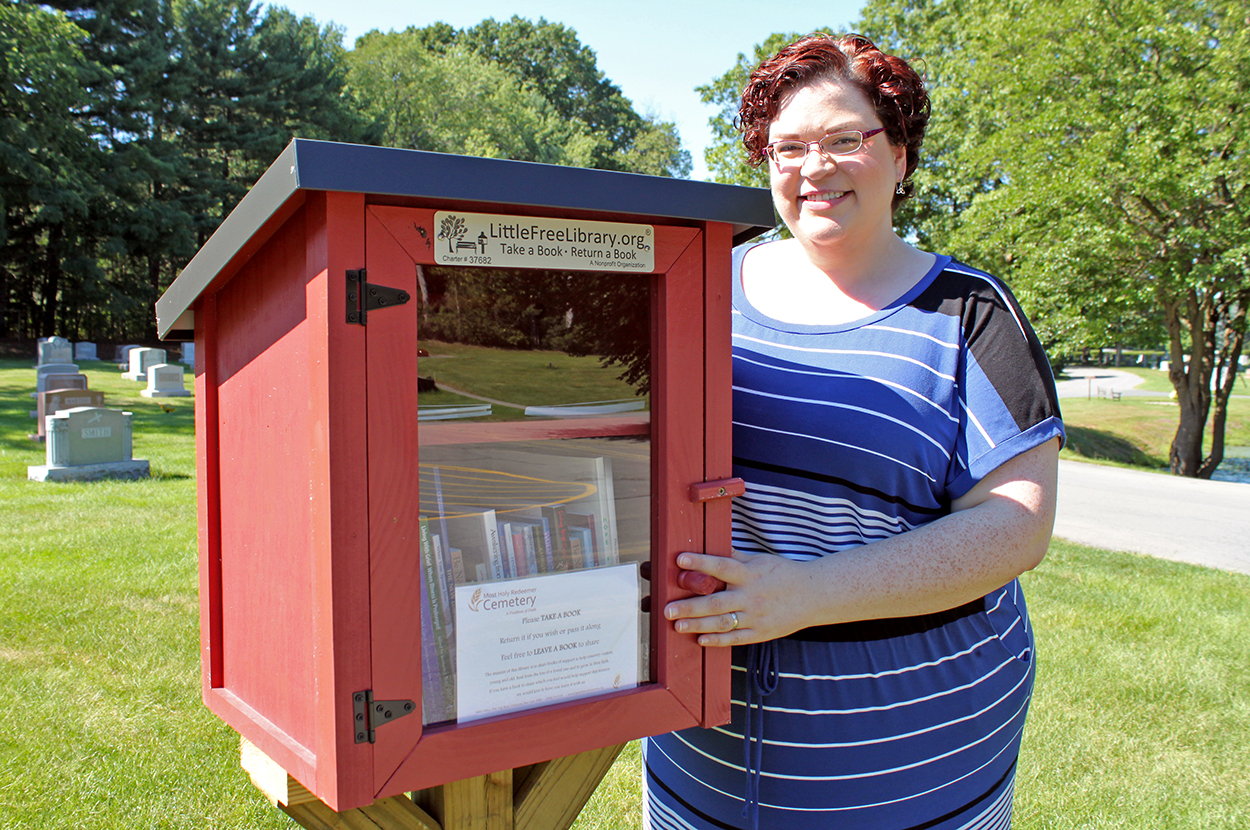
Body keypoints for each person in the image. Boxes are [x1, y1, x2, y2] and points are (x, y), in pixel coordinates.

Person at [643, 34, 1064, 830]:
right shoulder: (698, 285)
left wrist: (805, 595)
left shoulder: (968, 312)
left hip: (914, 758)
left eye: (845, 139)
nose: (814, 166)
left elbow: (1016, 527)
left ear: (900, 155)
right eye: (788, 146)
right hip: (703, 748)